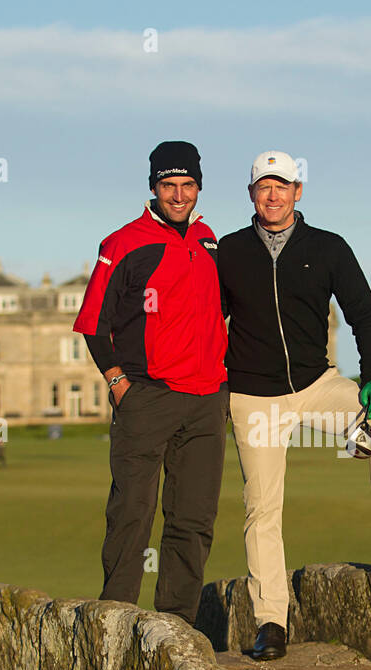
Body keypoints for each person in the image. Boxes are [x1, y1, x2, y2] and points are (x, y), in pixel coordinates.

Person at [218, 149, 371, 661]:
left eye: (282, 186)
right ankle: (271, 620)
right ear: (251, 195)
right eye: (264, 187)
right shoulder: (228, 251)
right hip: (255, 396)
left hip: (317, 386)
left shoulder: (328, 247)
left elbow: (364, 312)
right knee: (262, 508)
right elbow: (207, 325)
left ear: (298, 192)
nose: (273, 196)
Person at [73, 141, 229, 627]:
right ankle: (116, 619)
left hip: (206, 401)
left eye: (187, 186)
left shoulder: (209, 241)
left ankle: (176, 628)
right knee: (132, 513)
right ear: (153, 188)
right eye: (168, 186)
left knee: (193, 519)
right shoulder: (123, 243)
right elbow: (94, 322)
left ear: (199, 187)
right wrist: (118, 382)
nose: (178, 195)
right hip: (148, 397)